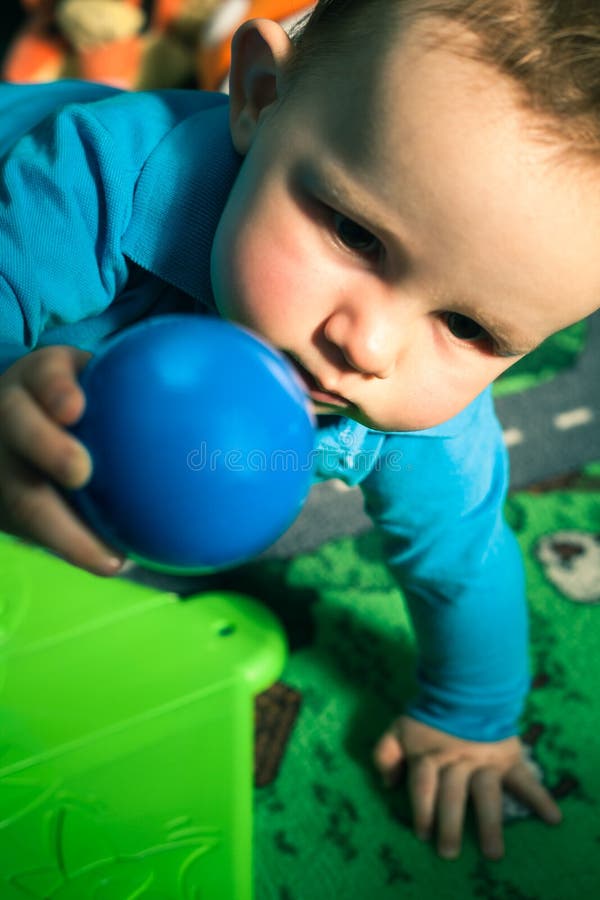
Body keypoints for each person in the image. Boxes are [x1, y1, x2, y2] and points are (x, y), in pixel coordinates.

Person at [1, 0, 599, 862]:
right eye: (357, 234)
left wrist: (471, 717)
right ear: (256, 95)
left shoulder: (426, 423)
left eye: (471, 330)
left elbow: (462, 558)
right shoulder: (97, 174)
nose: (369, 346)